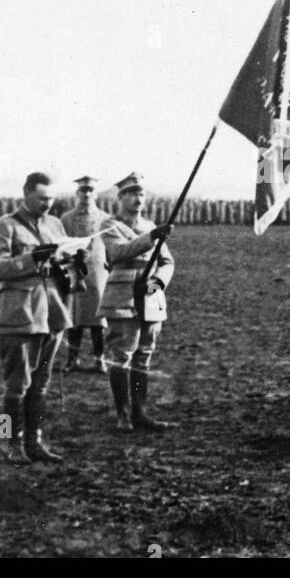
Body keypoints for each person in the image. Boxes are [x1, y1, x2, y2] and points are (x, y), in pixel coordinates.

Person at [0, 172, 85, 464]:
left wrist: (72, 264)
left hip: (52, 314)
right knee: (16, 386)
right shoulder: (5, 226)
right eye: (42, 198)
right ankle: (8, 442)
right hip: (20, 314)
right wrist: (34, 258)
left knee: (41, 385)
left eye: (51, 198)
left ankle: (34, 441)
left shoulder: (55, 224)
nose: (47, 203)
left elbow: (63, 264)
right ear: (26, 193)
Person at [97, 172, 176, 432]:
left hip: (151, 297)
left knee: (144, 356)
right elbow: (119, 252)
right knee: (121, 355)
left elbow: (167, 262)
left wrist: (157, 284)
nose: (137, 198)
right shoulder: (109, 225)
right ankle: (123, 415)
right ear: (120, 198)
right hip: (123, 295)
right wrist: (151, 237)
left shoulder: (150, 225)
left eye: (141, 194)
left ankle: (140, 413)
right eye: (131, 194)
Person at [60, 175, 109, 374]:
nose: (87, 194)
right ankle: (72, 360)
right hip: (75, 271)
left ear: (96, 193)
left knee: (98, 320)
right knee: (75, 318)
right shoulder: (67, 218)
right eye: (83, 190)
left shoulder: (105, 218)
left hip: (98, 272)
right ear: (77, 193)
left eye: (90, 190)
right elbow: (62, 245)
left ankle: (100, 359)